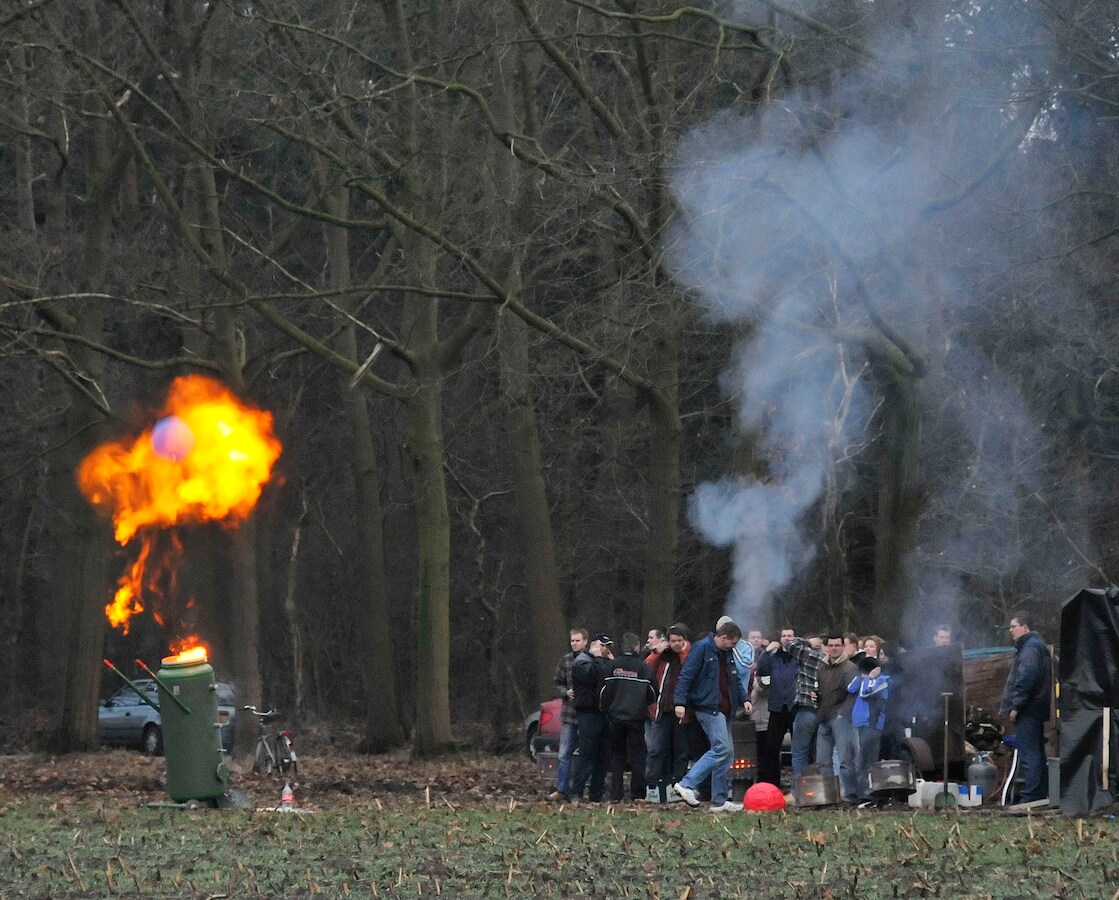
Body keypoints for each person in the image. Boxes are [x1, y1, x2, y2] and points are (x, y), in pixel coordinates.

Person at [672, 621, 753, 812]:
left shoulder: (727, 652)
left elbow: (734, 678)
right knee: (721, 748)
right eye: (733, 643)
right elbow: (686, 676)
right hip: (708, 707)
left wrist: (744, 698)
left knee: (727, 753)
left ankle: (719, 800)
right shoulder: (701, 649)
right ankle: (686, 784)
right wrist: (680, 702)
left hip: (726, 708)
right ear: (723, 638)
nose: (734, 647)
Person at [1000, 612, 1053, 803]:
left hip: (1029, 708)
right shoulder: (1036, 646)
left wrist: (1016, 706)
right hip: (1037, 707)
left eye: (1014, 626)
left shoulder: (1030, 648)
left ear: (1025, 627)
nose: (1011, 630)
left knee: (1029, 753)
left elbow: (1027, 678)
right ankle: (1040, 793)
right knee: (1037, 751)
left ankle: (1031, 796)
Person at [601, 632, 656, 802]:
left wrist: (607, 709)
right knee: (638, 756)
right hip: (636, 718)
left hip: (615, 717)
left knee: (617, 756)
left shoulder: (611, 666)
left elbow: (603, 692)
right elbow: (653, 693)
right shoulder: (643, 667)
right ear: (637, 647)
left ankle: (616, 793)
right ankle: (637, 793)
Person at [645, 623, 692, 794]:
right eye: (673, 641)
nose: (676, 644)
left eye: (680, 641)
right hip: (662, 709)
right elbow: (647, 667)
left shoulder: (689, 655)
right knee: (656, 748)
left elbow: (690, 669)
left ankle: (678, 786)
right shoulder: (663, 656)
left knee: (681, 751)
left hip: (682, 710)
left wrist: (684, 651)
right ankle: (651, 785)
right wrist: (657, 652)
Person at [567, 632, 614, 802]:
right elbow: (595, 677)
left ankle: (596, 794)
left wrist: (612, 661)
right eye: (602, 646)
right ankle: (576, 792)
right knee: (586, 755)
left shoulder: (603, 661)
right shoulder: (582, 662)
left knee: (603, 756)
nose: (605, 649)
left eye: (607, 646)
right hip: (588, 713)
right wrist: (599, 658)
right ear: (594, 645)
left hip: (604, 713)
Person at [815, 633, 859, 802]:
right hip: (823, 717)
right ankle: (829, 795)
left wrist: (842, 714)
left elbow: (853, 694)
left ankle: (850, 795)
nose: (834, 648)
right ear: (826, 647)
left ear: (843, 646)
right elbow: (820, 689)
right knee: (823, 761)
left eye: (837, 645)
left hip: (841, 720)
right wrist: (815, 697)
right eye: (831, 645)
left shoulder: (850, 668)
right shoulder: (822, 667)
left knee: (845, 760)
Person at [847, 635, 889, 802]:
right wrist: (862, 675)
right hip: (858, 722)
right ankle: (861, 792)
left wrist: (871, 678)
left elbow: (866, 693)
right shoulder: (862, 679)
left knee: (868, 759)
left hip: (872, 724)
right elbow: (851, 689)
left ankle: (869, 793)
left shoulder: (884, 680)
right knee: (860, 759)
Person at [548, 627, 588, 802]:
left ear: (585, 641)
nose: (574, 643)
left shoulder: (591, 660)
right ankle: (561, 789)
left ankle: (579, 790)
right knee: (564, 753)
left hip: (586, 714)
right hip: (569, 714)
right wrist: (565, 692)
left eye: (577, 640)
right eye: (572, 640)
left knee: (584, 754)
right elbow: (557, 683)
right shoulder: (565, 660)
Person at [756, 627, 798, 786]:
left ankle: (799, 783)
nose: (787, 638)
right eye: (784, 635)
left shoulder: (799, 656)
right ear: (780, 639)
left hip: (795, 707)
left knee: (799, 747)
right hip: (777, 707)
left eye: (790, 636)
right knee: (771, 747)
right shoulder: (774, 657)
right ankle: (772, 783)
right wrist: (766, 652)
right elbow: (761, 670)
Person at [785, 634, 826, 779]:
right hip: (824, 712)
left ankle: (800, 787)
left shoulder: (809, 655)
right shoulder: (829, 660)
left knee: (799, 752)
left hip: (806, 709)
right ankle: (819, 786)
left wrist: (807, 642)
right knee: (817, 754)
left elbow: (789, 645)